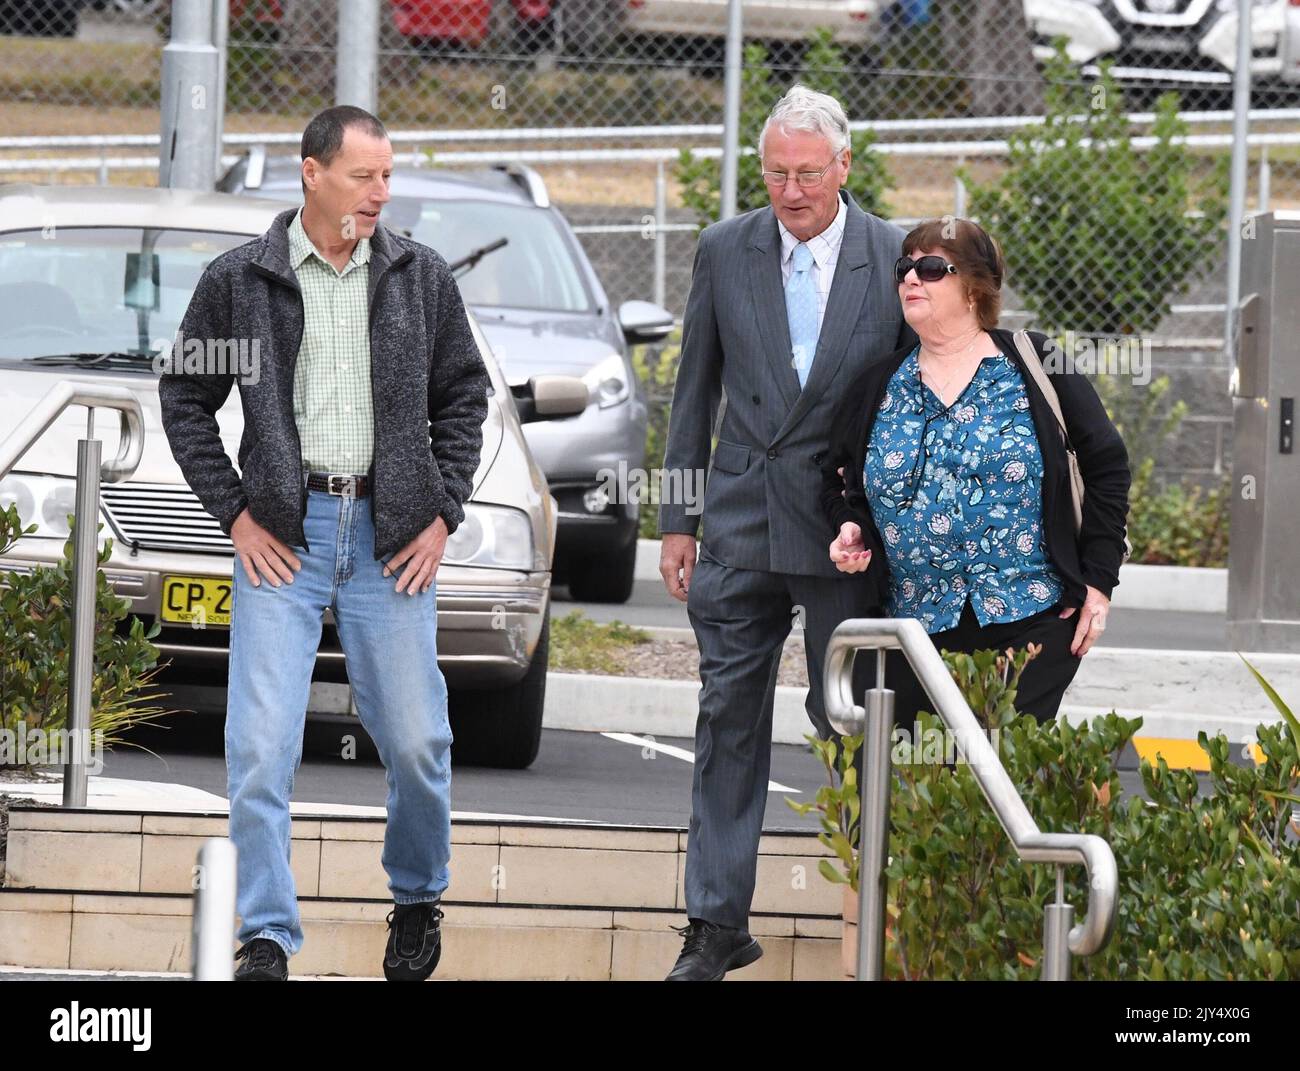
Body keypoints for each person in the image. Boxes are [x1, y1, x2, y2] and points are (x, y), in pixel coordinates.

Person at [159, 105, 490, 982]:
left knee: (419, 740)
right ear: (312, 173)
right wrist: (235, 512)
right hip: (284, 537)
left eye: (388, 175)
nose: (381, 193)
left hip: (391, 537)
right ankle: (267, 932)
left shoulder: (421, 277)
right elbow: (185, 401)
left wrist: (441, 510)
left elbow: (465, 397)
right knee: (261, 743)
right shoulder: (241, 279)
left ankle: (417, 901)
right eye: (363, 175)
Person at [657, 84, 917, 981]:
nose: (792, 190)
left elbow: (915, 397)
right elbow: (693, 391)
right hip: (733, 527)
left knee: (843, 720)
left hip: (844, 533)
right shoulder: (724, 249)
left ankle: (874, 909)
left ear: (845, 167)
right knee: (727, 716)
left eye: (808, 173)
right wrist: (677, 519)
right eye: (776, 173)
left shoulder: (895, 255)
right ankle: (714, 921)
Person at [820, 217, 1130, 730]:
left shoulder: (1036, 362)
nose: (911, 279)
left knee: (998, 777)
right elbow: (834, 476)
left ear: (974, 289)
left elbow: (1107, 467)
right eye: (905, 268)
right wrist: (849, 526)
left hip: (1030, 618)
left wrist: (1099, 582)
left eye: (932, 268)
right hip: (912, 629)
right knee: (913, 793)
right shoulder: (878, 382)